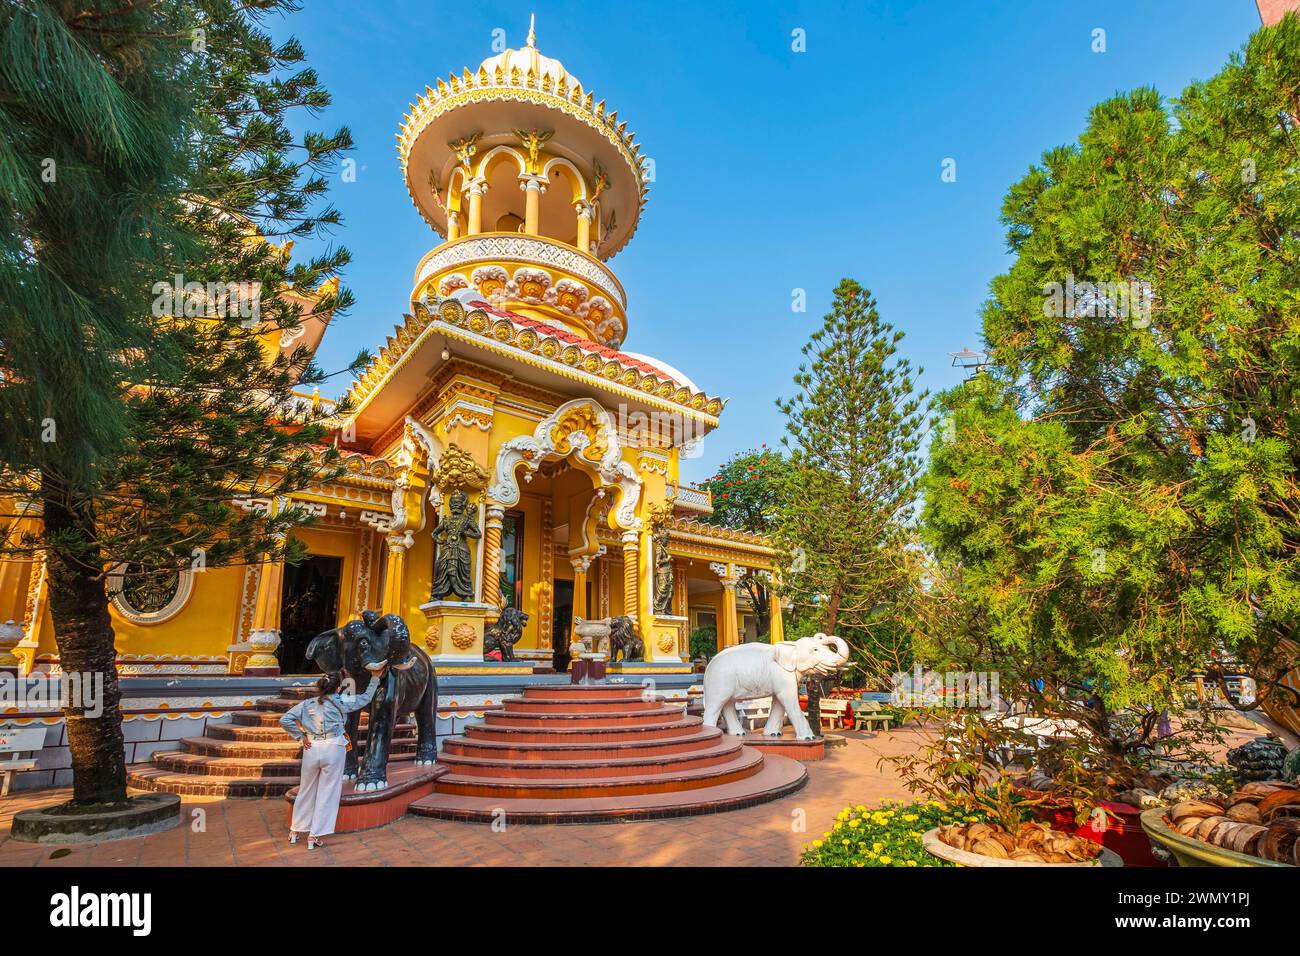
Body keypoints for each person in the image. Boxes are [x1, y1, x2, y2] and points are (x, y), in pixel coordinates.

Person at [279, 670, 381, 849]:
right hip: (333, 747)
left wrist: (300, 736)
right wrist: (375, 677)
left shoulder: (307, 704)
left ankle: (295, 831)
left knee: (306, 789)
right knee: (328, 792)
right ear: (337, 688)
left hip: (312, 747)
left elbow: (285, 719)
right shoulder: (342, 702)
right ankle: (314, 835)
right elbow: (366, 698)